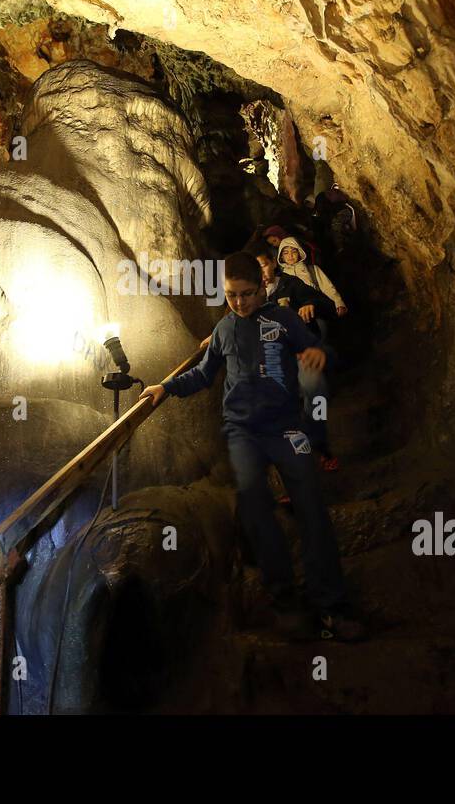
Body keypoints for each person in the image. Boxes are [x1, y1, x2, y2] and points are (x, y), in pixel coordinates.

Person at [139, 253, 366, 641]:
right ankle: (285, 601)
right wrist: (166, 388)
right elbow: (204, 374)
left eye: (246, 294)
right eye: (231, 296)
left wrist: (319, 355)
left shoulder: (284, 319)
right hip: (243, 430)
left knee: (311, 508)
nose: (240, 303)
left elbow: (324, 349)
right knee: (257, 508)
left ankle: (331, 606)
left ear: (262, 288)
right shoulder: (224, 330)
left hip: (285, 428)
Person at [253, 247, 339, 472]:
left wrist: (312, 305)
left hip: (301, 353)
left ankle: (320, 441)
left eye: (262, 265)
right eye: (255, 268)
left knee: (316, 390)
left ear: (272, 262)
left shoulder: (290, 284)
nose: (261, 272)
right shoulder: (252, 294)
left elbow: (327, 305)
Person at [277, 236, 347, 317]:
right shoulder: (282, 277)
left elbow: (327, 287)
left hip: (318, 309)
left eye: (294, 251)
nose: (290, 255)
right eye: (286, 253)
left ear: (300, 252)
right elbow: (283, 299)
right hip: (298, 315)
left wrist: (338, 302)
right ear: (281, 256)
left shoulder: (313, 269)